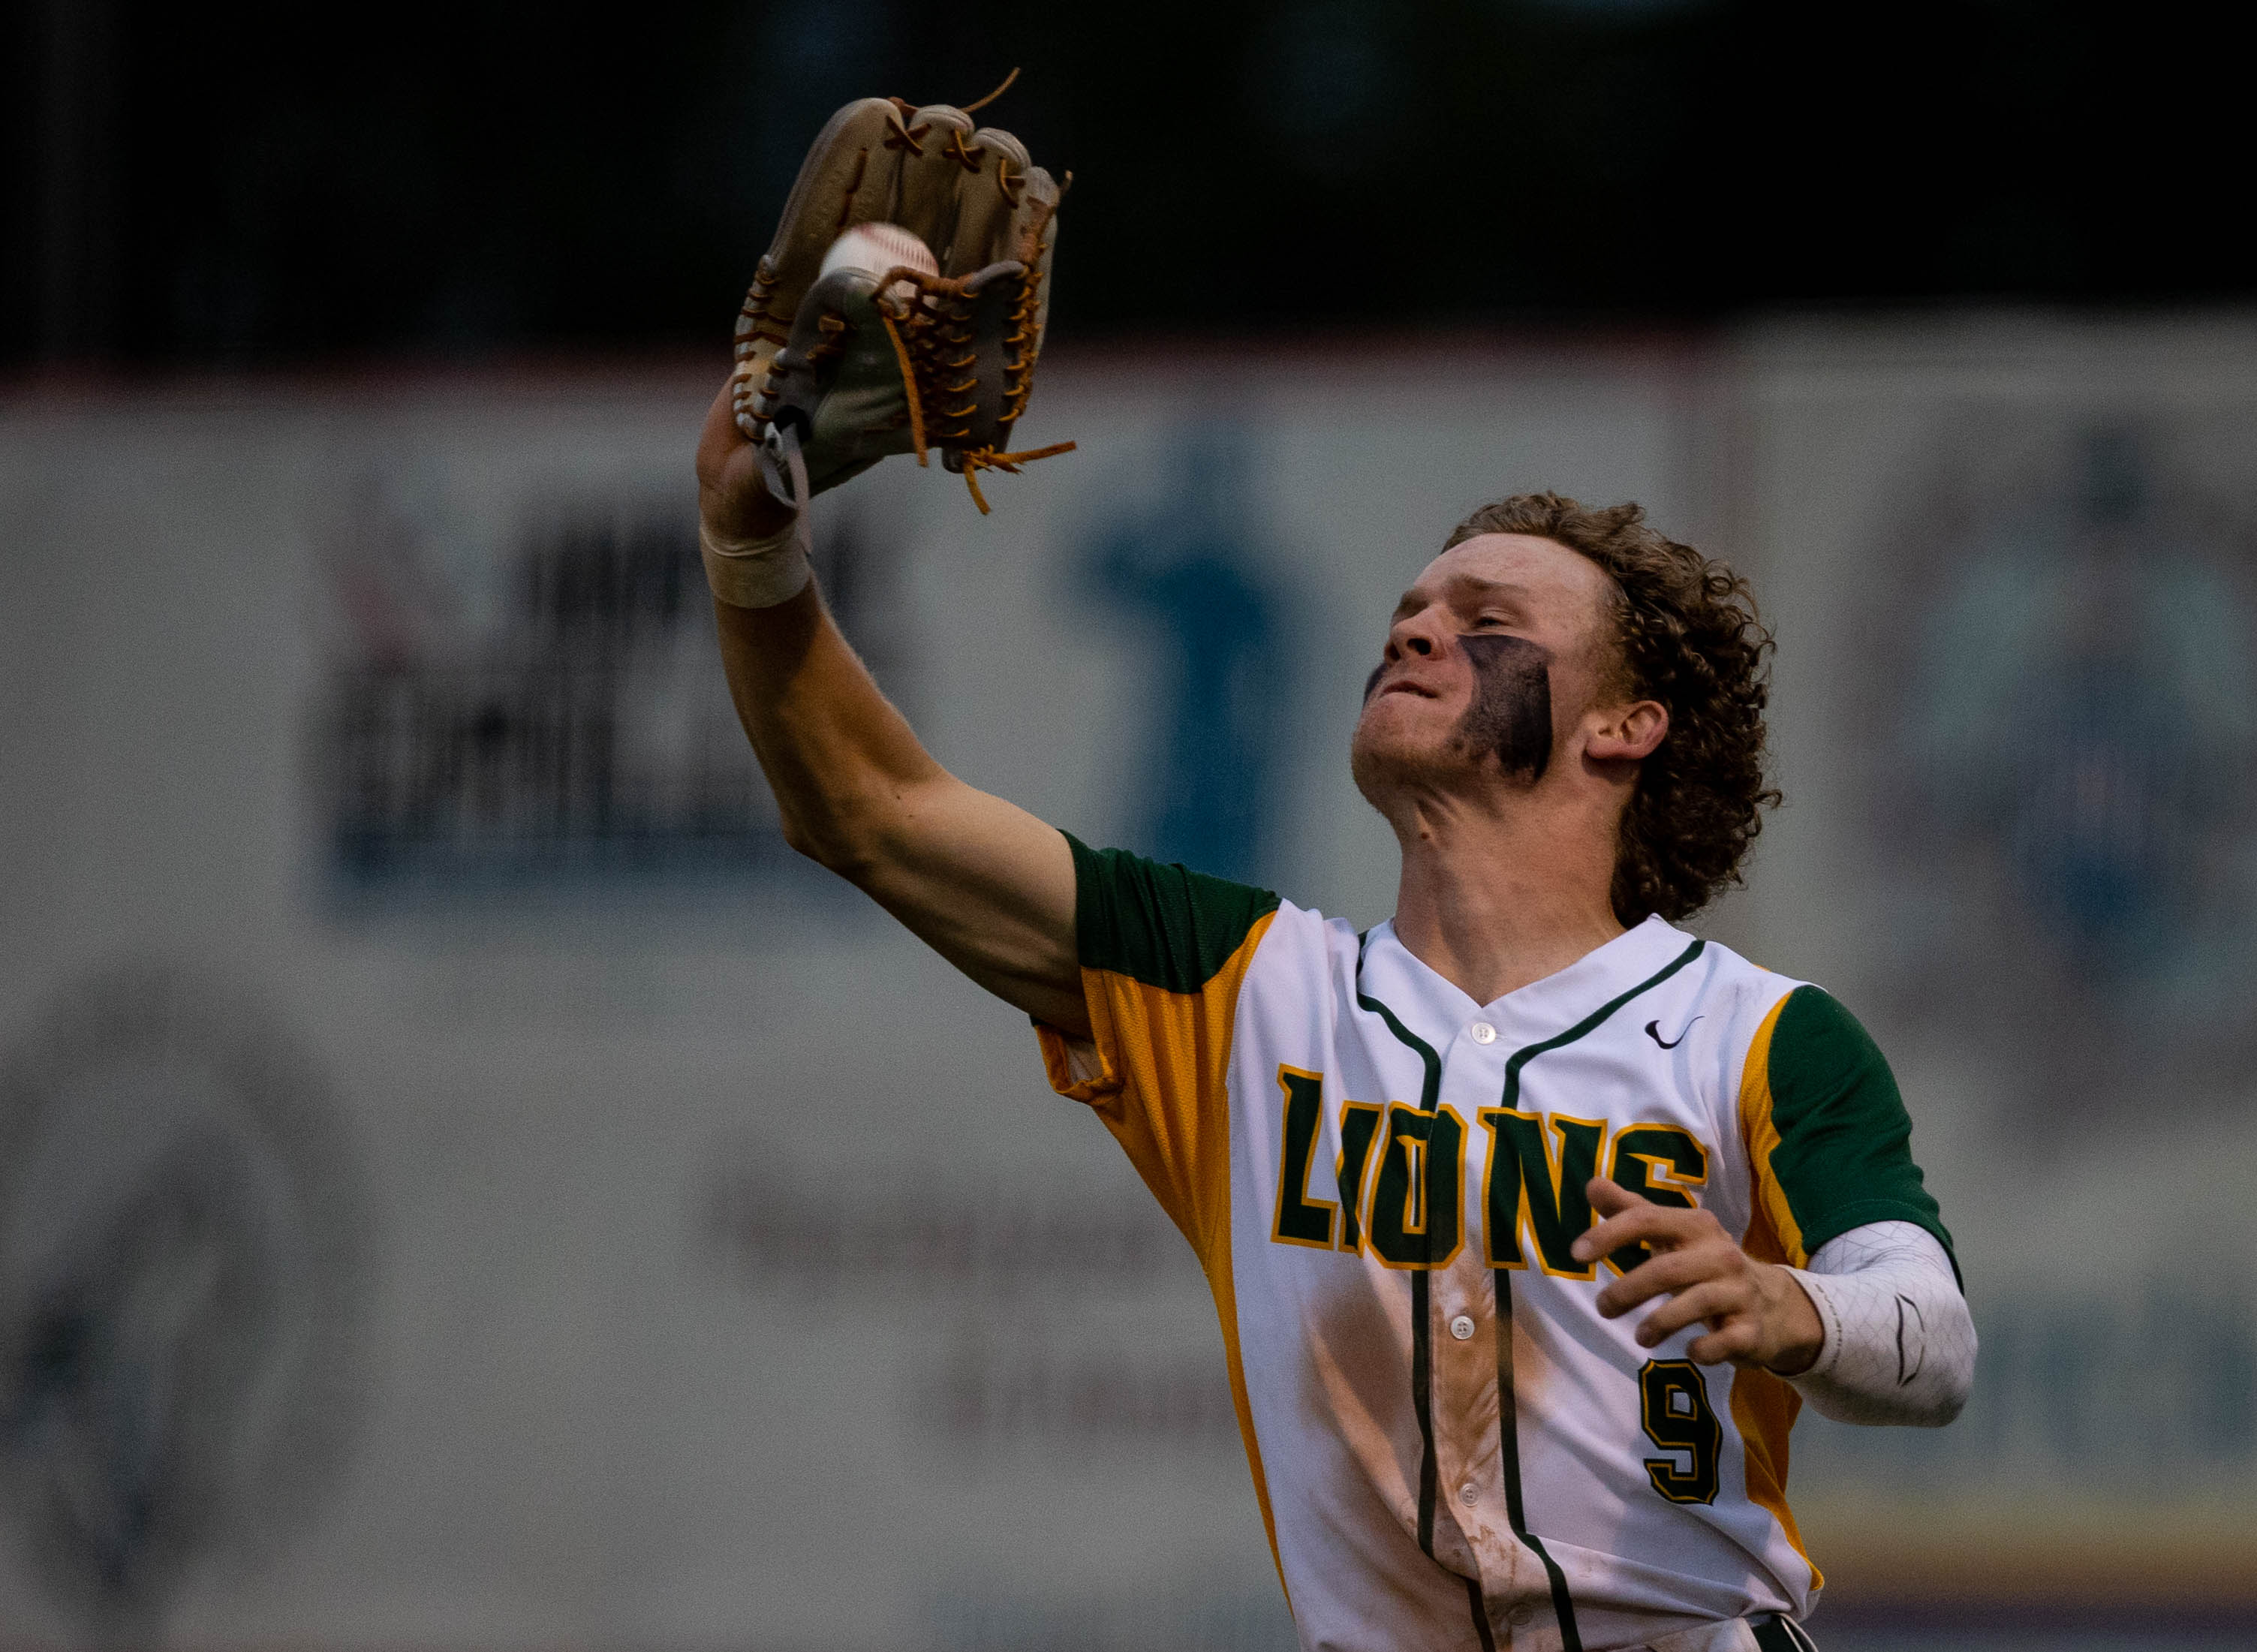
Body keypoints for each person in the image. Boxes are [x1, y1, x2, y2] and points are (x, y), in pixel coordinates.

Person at [694, 375, 1974, 1650]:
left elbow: (1936, 1341)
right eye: (1408, 615)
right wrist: (749, 531)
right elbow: (867, 809)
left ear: (1624, 725)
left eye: (1485, 620)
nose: (1415, 634)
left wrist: (1789, 1306)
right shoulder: (1240, 990)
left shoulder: (1759, 1033)